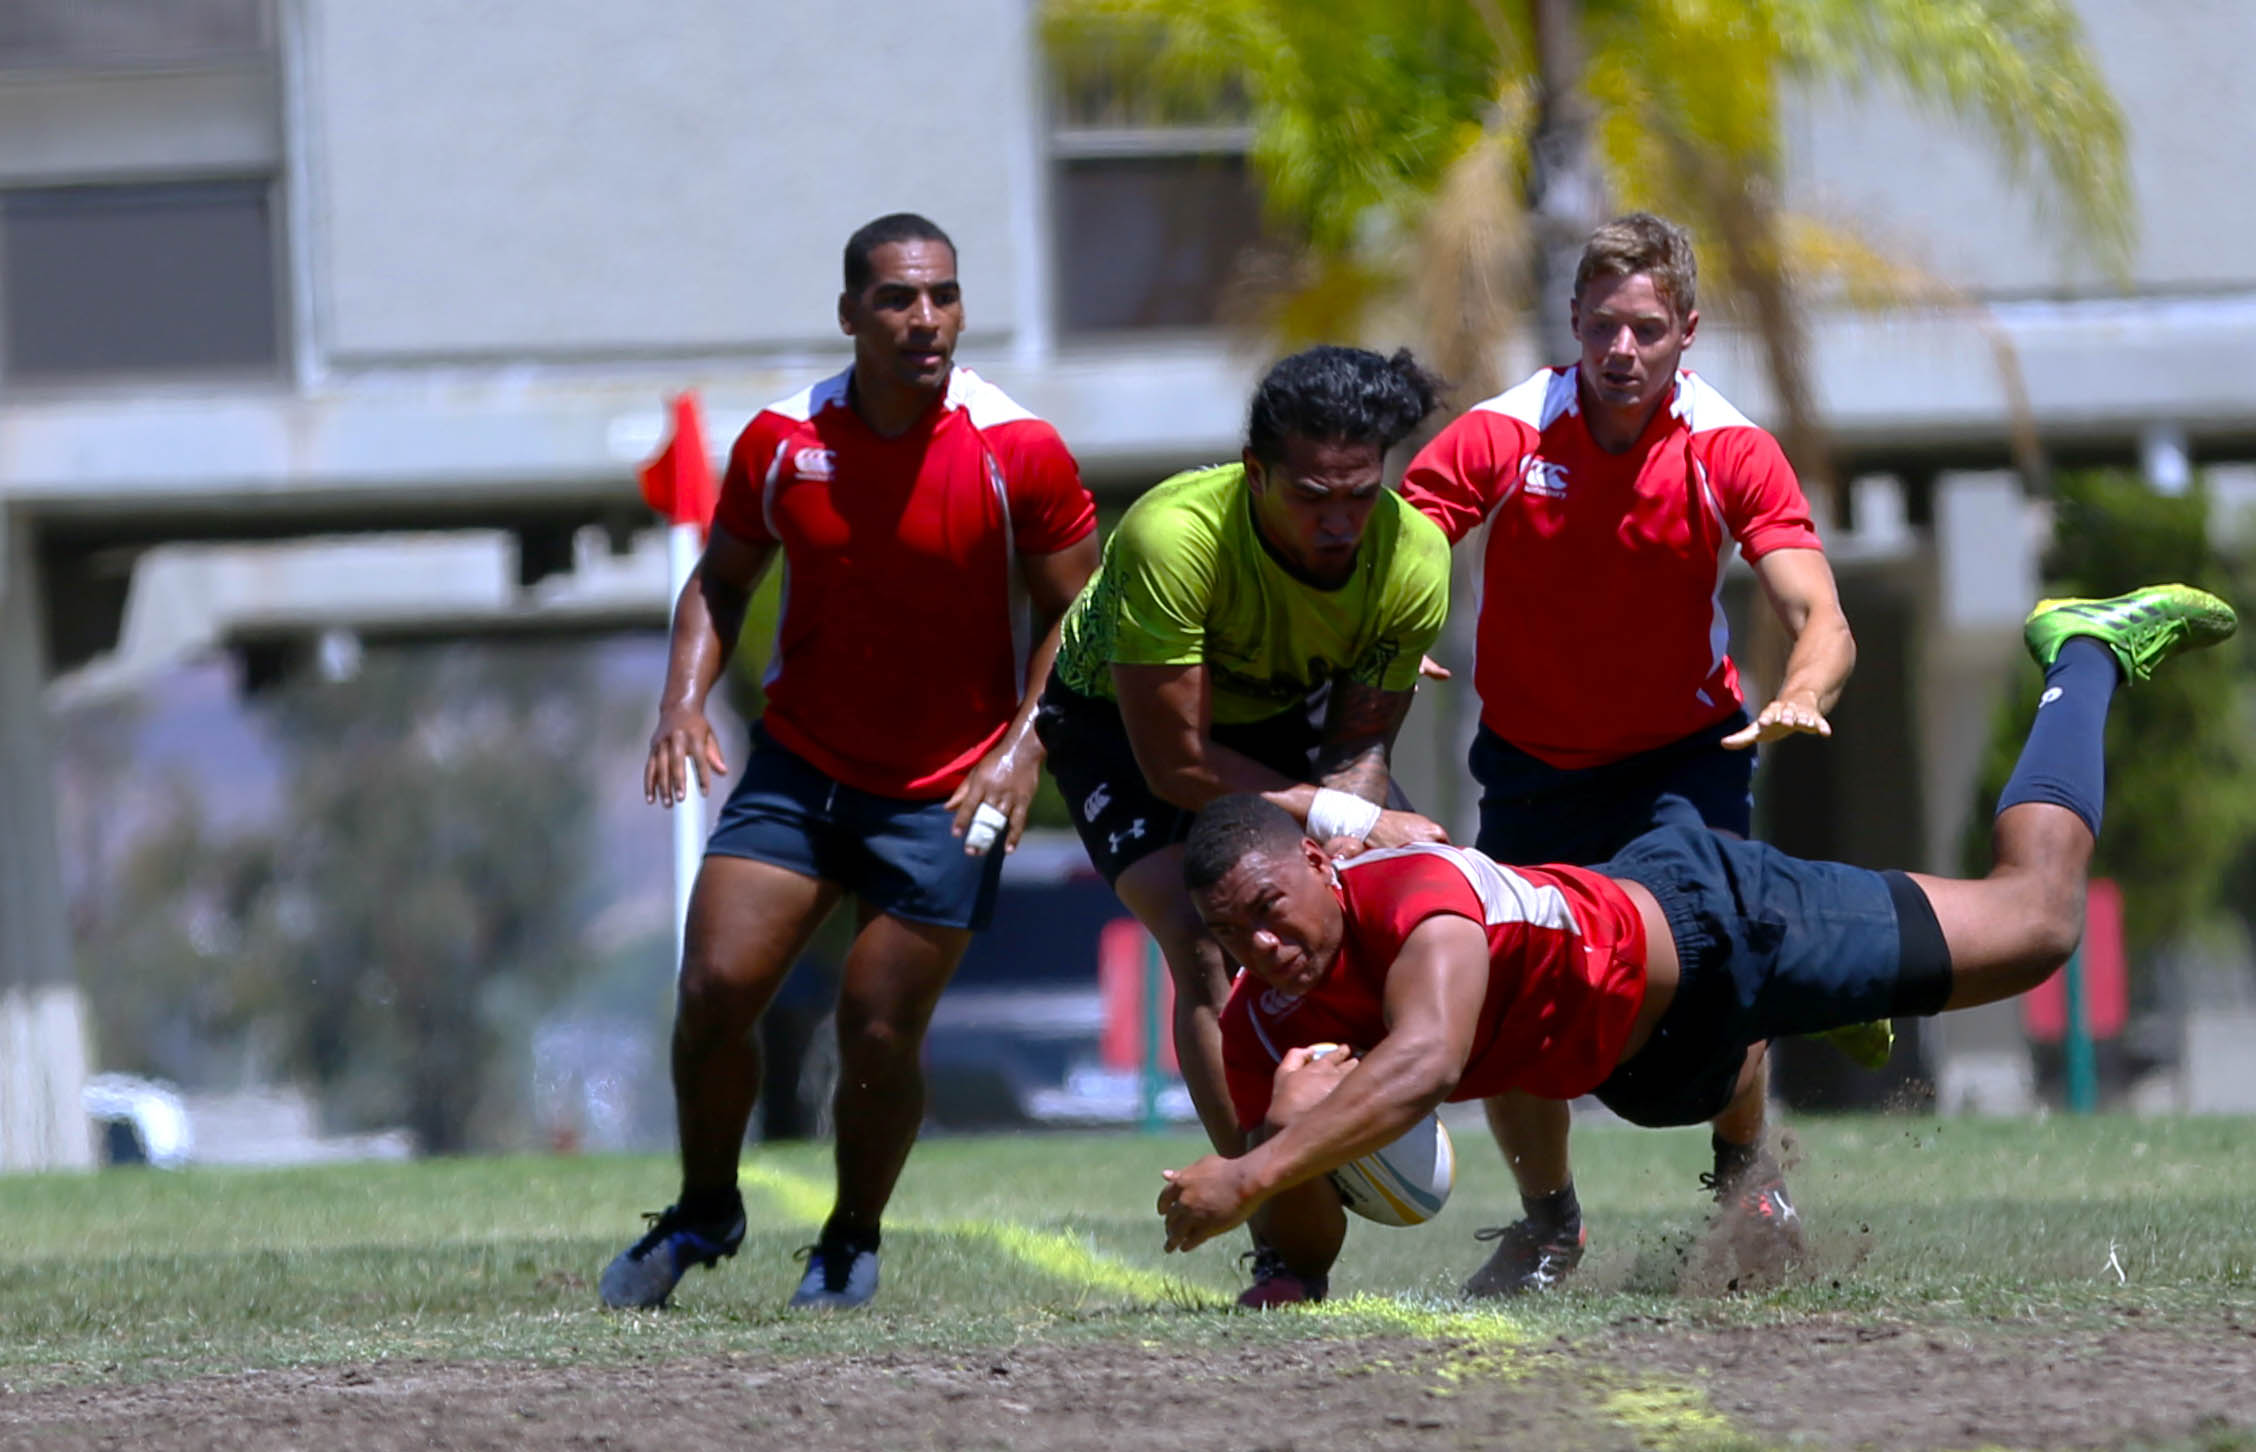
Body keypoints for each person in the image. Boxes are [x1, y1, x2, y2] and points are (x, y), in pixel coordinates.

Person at [1154, 585, 2236, 1303]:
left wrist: (1252, 1168)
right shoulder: (1258, 1023)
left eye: (1270, 906)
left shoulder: (1416, 897)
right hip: (1639, 1061)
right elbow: (1301, 1254)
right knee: (1663, 1085)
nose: (1261, 944)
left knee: (2037, 923)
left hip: (1717, 919)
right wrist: (1281, 1164)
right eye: (1231, 932)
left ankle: (2084, 649)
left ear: (1325, 865)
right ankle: (1816, 1004)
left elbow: (1428, 1061)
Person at [599, 213, 1100, 1311]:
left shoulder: (1019, 448)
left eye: (943, 297)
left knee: (875, 1026)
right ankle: (704, 1209)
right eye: (897, 298)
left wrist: (1023, 750)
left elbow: (1082, 612)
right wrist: (681, 701)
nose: (926, 319)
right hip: (803, 771)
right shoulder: (784, 442)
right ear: (849, 315)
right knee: (713, 991)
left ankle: (849, 1239)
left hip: (950, 788)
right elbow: (722, 578)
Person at [1396, 211, 1863, 1293]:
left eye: (1646, 330)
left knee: (1719, 979)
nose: (1621, 350)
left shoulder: (1727, 447)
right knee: (1509, 993)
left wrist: (1801, 693)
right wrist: (1394, 621)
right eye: (1603, 325)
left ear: (1686, 333)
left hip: (1682, 761)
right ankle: (1549, 1226)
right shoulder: (1507, 432)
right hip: (1534, 764)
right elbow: (1407, 541)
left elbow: (1822, 615)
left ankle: (1747, 1181)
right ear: (1572, 321)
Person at [1034, 345, 1452, 1305]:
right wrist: (1345, 814)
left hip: (1279, 723)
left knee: (1391, 906)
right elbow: (1178, 767)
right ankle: (1277, 1239)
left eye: (1361, 495)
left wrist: (1343, 840)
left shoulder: (1413, 556)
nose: (1340, 523)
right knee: (1207, 934)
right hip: (1125, 730)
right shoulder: (1172, 537)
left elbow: (1359, 742)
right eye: (1312, 497)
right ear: (1255, 473)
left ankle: (1533, 1204)